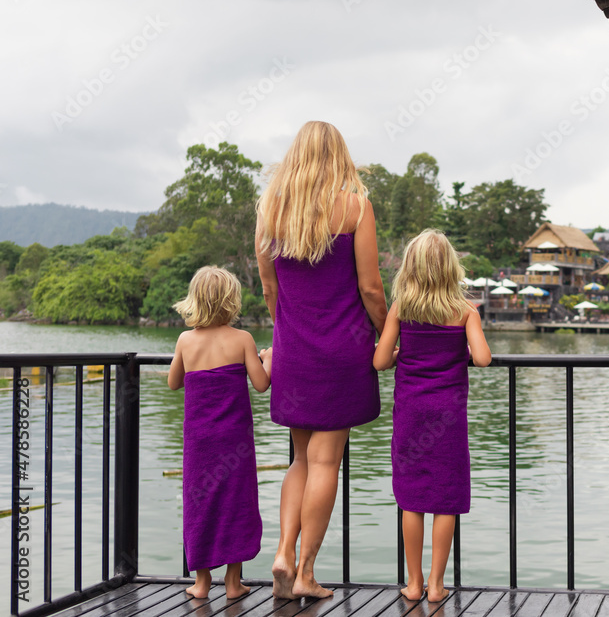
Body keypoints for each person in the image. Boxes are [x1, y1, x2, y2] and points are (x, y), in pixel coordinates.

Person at [256, 120, 388, 599]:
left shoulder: (270, 210)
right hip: (343, 353)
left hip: (293, 353)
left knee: (299, 459)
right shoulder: (355, 205)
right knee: (326, 462)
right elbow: (371, 288)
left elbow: (270, 290)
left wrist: (288, 335)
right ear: (339, 155)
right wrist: (384, 332)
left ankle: (282, 553)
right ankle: (306, 571)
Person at [374, 229, 491, 603]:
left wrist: (397, 355)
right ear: (450, 269)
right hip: (448, 416)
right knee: (446, 498)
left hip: (410, 412)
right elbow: (484, 358)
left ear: (411, 267)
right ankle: (438, 585)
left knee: (412, 498)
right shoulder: (464, 310)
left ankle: (413, 582)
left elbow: (379, 361)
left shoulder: (402, 308)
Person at [167, 266, 272, 599]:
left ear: (194, 300)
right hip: (234, 441)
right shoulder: (242, 340)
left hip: (199, 442)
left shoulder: (186, 340)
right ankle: (232, 583)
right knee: (235, 502)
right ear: (231, 302)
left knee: (200, 503)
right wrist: (266, 358)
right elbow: (261, 384)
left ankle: (200, 583)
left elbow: (173, 382)